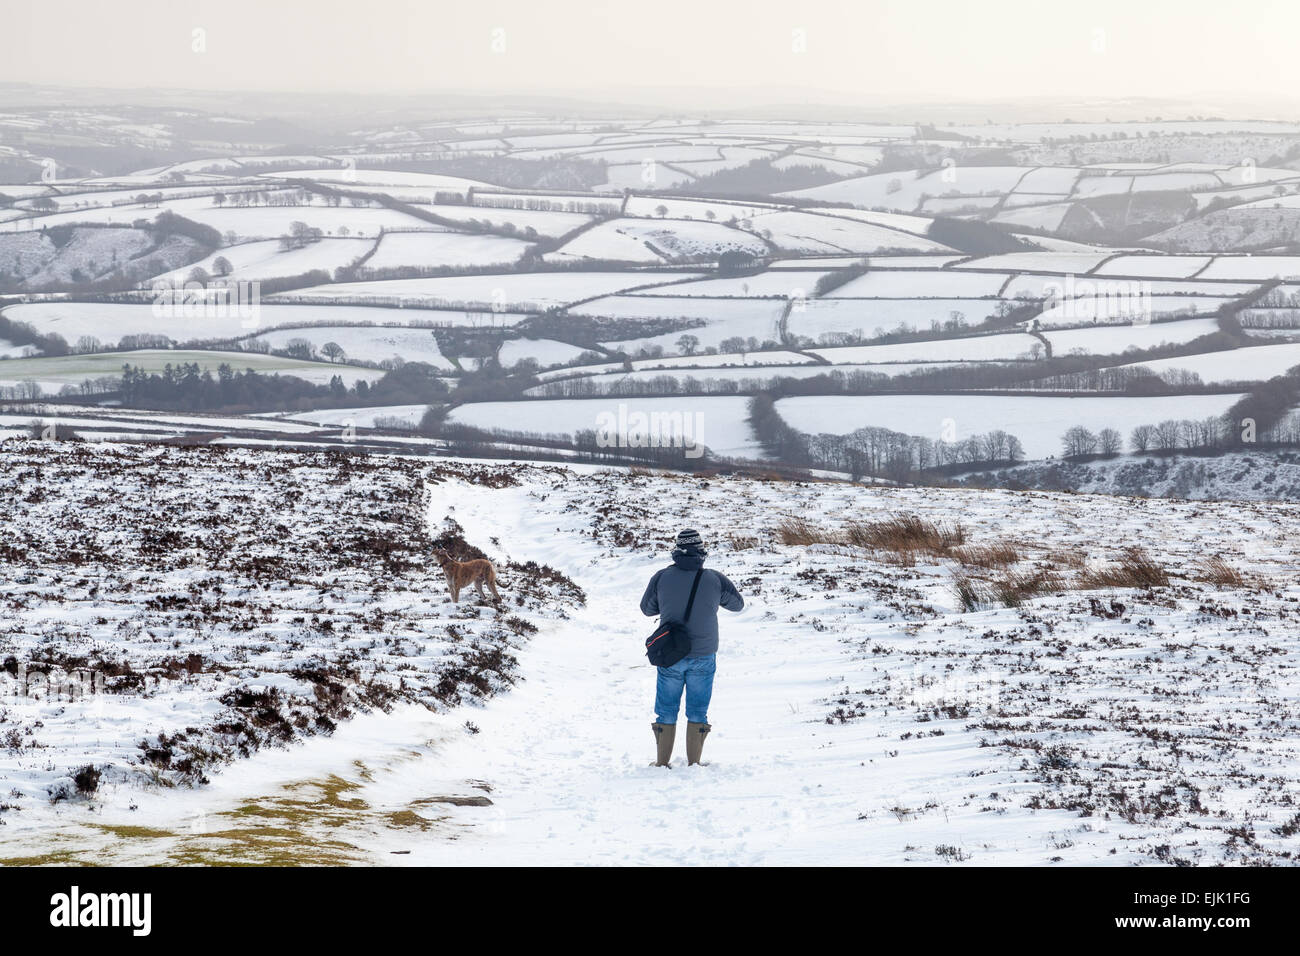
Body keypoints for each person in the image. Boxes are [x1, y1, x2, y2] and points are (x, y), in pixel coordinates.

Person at [640, 528, 744, 767]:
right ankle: (694, 764)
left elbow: (647, 609)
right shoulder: (714, 579)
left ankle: (661, 762)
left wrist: (669, 603)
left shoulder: (661, 577)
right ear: (701, 551)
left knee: (666, 709)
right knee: (697, 709)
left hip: (671, 653)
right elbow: (737, 605)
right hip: (704, 654)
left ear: (677, 550)